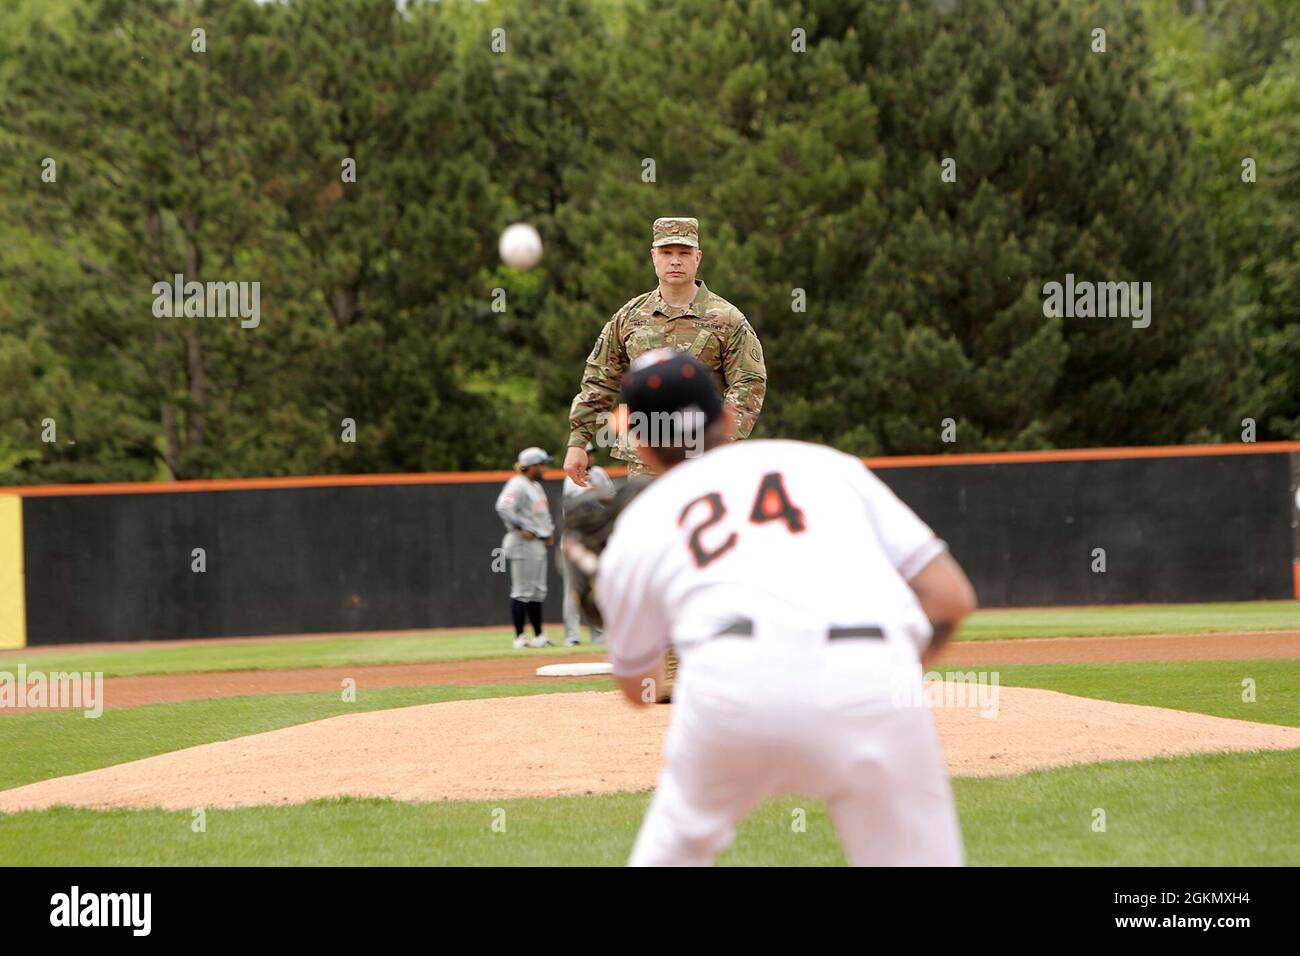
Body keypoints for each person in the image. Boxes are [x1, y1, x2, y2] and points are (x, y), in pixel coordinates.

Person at [594, 351, 978, 866]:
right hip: (871, 675)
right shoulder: (825, 465)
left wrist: (595, 598)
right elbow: (951, 598)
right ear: (727, 419)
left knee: (675, 850)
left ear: (638, 441)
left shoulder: (641, 523)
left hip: (732, 689)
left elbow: (639, 690)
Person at [563, 216, 766, 485]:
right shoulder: (630, 317)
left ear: (698, 257)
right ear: (653, 257)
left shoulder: (727, 319)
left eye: (684, 253)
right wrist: (578, 441)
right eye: (666, 252)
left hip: (706, 457)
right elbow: (600, 379)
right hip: (647, 457)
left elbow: (749, 383)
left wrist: (720, 440)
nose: (675, 261)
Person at [495, 447, 556, 649]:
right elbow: (503, 506)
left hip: (536, 543)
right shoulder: (517, 484)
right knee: (522, 591)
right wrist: (521, 527)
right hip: (522, 544)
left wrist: (546, 533)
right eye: (541, 464)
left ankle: (539, 636)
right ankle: (520, 636)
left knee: (537, 591)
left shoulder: (534, 486)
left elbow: (538, 515)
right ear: (531, 466)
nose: (544, 468)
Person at [559, 443, 614, 646]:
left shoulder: (598, 473)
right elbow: (582, 504)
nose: (590, 457)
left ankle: (598, 634)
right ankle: (572, 636)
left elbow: (611, 498)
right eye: (587, 453)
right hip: (576, 537)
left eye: (591, 453)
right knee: (574, 588)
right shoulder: (573, 476)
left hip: (596, 536)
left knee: (598, 586)